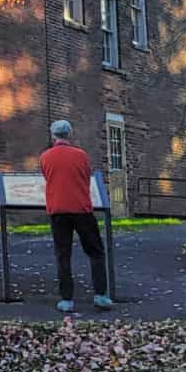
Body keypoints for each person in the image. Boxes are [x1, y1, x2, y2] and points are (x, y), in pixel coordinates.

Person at [40, 119, 113, 313]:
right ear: (70, 134)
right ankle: (100, 295)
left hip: (58, 210)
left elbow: (47, 176)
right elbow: (86, 174)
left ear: (53, 135)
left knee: (63, 254)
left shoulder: (45, 157)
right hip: (81, 208)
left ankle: (66, 299)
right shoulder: (81, 155)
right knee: (95, 251)